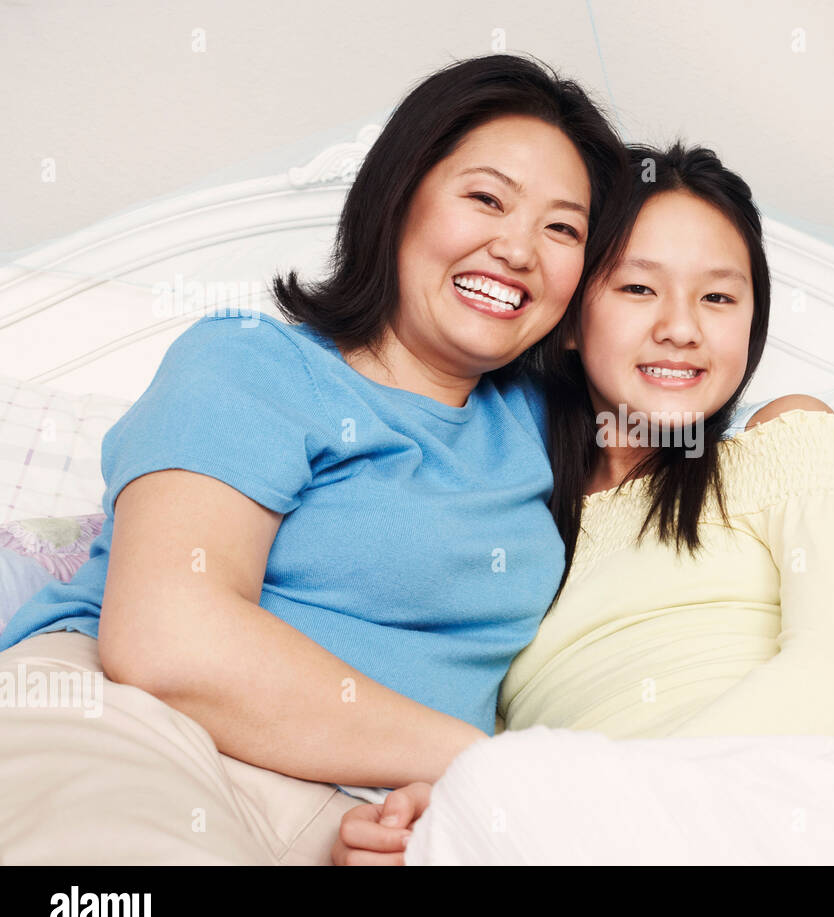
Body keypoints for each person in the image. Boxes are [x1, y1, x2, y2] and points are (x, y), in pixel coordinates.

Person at [0, 53, 628, 865]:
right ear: (399, 200)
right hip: (135, 728)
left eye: (563, 228)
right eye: (486, 199)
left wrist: (800, 421)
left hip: (379, 812)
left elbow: (699, 405)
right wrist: (482, 766)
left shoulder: (548, 428)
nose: (518, 248)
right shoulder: (251, 362)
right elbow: (166, 642)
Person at [333, 143, 834, 865]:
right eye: (638, 289)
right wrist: (443, 810)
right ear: (568, 319)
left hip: (794, 801)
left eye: (719, 297)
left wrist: (581, 802)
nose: (682, 328)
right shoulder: (507, 532)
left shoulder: (781, 438)